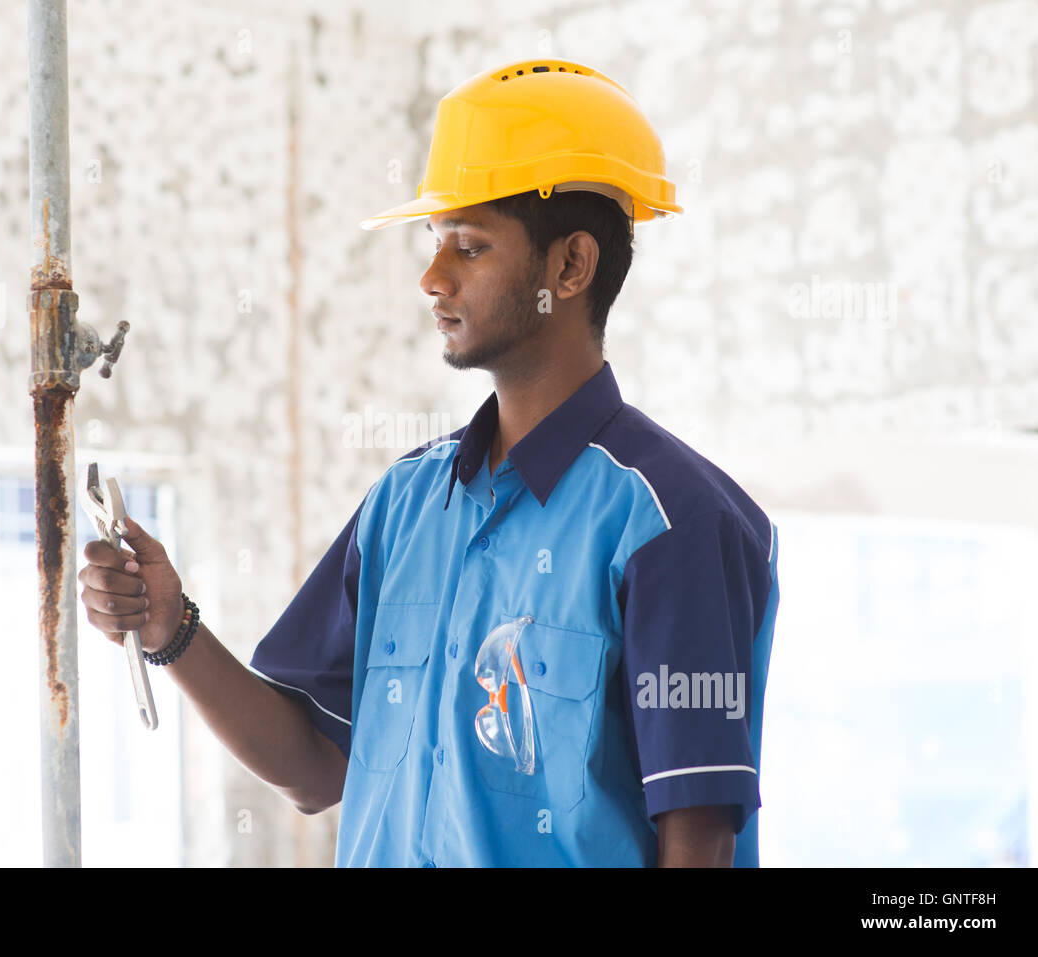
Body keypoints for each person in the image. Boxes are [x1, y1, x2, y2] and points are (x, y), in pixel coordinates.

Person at [78, 58, 779, 867]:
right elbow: (313, 765)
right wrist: (172, 628)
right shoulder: (406, 504)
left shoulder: (670, 524)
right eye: (434, 242)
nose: (432, 278)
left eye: (469, 247)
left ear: (570, 267)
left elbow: (697, 843)